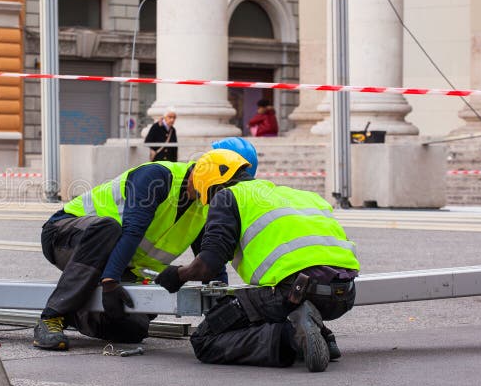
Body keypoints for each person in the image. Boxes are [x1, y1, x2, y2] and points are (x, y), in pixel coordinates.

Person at [154, 149, 360, 372]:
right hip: (344, 293)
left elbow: (207, 266)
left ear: (212, 185)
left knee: (205, 339)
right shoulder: (300, 195)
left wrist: (177, 275)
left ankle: (293, 338)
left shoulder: (228, 196)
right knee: (263, 303)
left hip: (295, 290)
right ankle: (322, 335)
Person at [33, 159, 209, 351]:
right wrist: (110, 281)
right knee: (108, 228)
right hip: (65, 235)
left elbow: (208, 258)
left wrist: (216, 311)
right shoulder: (157, 176)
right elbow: (133, 230)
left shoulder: (203, 205)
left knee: (134, 329)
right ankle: (52, 316)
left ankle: (74, 313)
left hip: (118, 260)